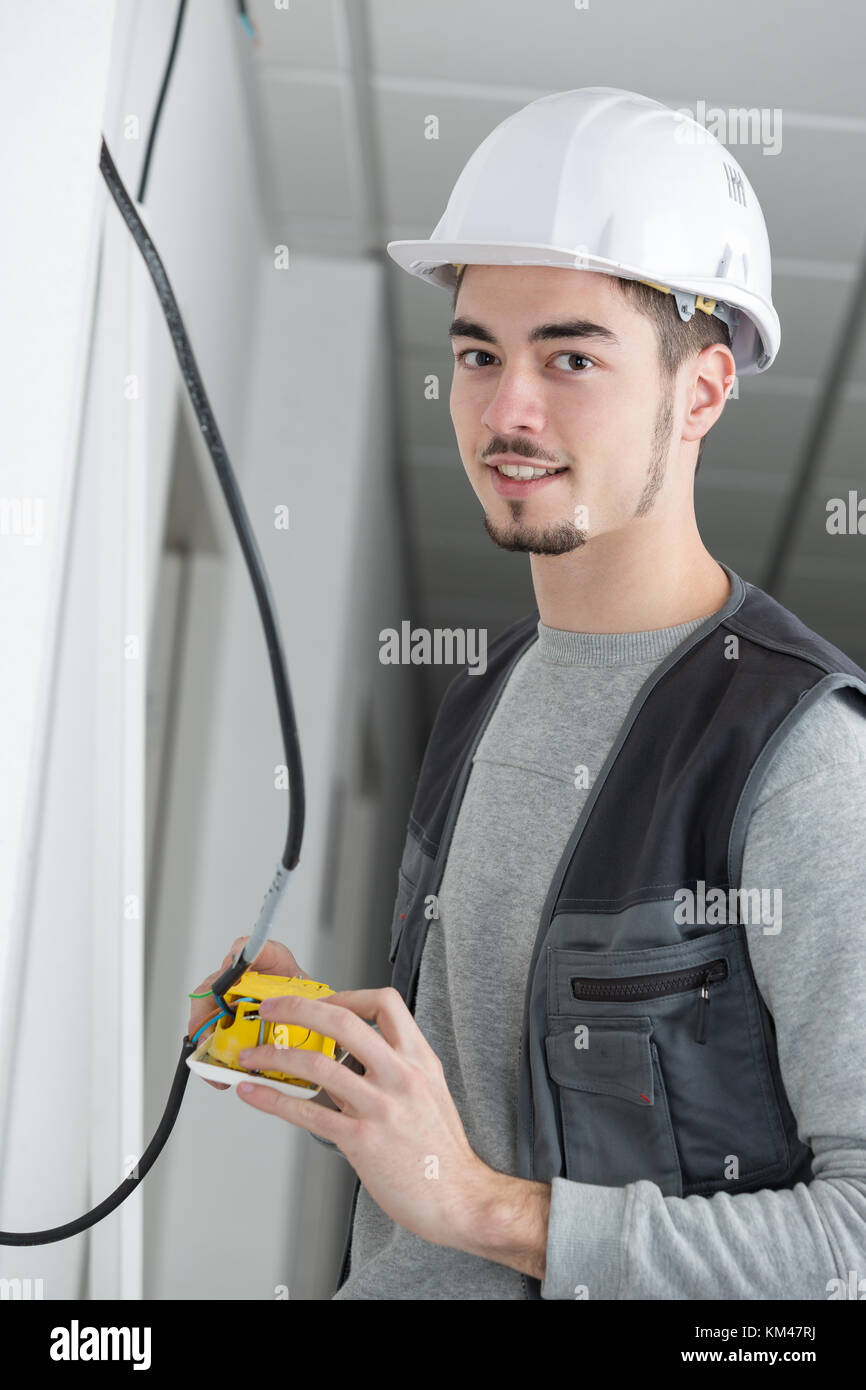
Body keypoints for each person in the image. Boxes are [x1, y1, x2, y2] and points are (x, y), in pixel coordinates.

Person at [189, 88, 866, 1300]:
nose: (506, 411)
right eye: (476, 355)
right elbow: (497, 1107)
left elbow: (851, 1248)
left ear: (701, 390)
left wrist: (481, 1205)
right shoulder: (485, 693)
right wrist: (340, 1063)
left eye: (569, 357)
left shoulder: (798, 755)